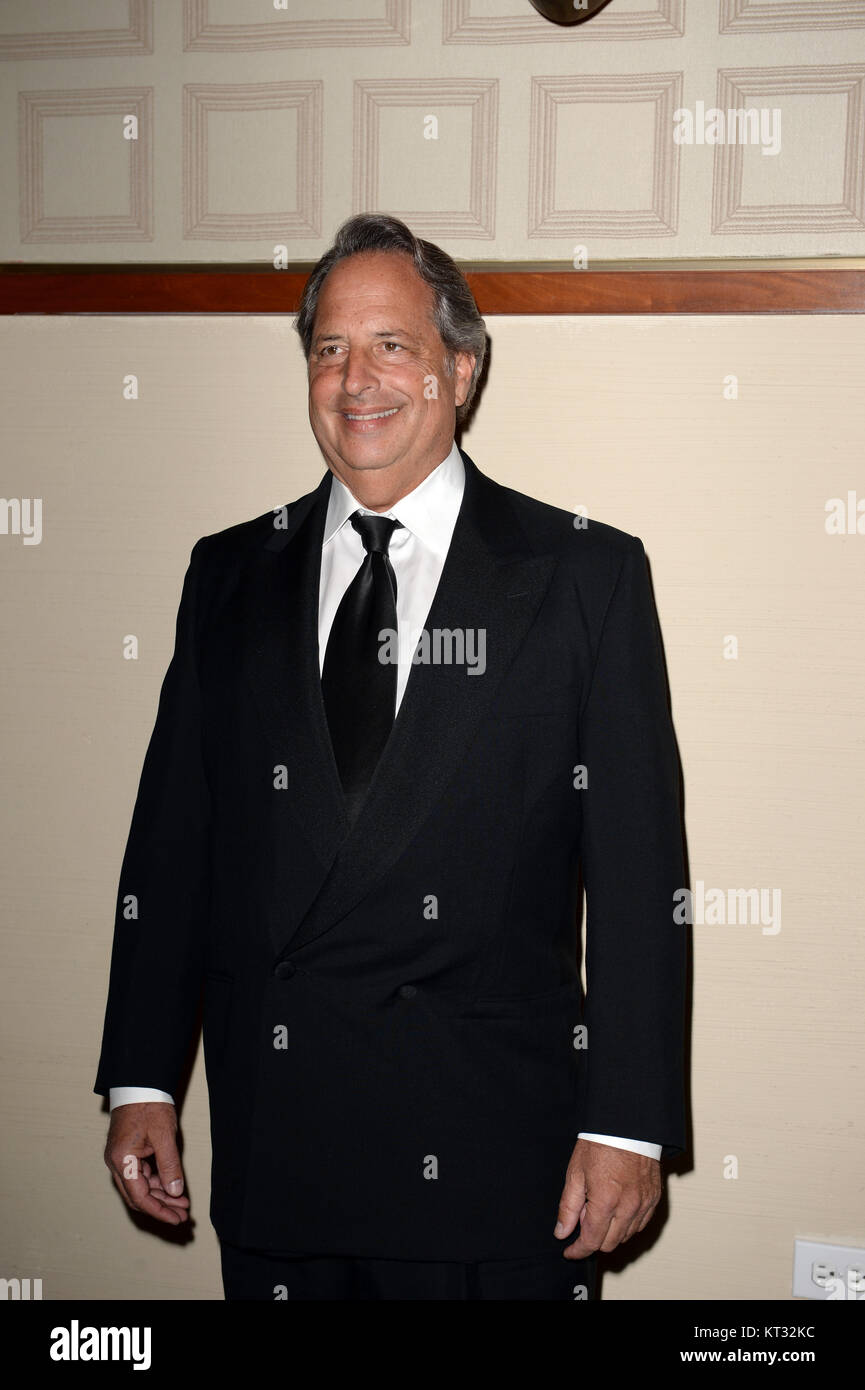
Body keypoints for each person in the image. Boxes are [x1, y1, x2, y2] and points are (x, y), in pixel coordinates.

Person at [96, 213, 686, 1302]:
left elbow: (640, 877)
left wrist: (627, 1124)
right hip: (280, 1154)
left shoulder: (583, 576)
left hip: (496, 1165)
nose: (354, 379)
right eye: (329, 349)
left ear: (458, 370)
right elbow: (173, 849)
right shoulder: (227, 574)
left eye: (391, 346)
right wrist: (142, 1079)